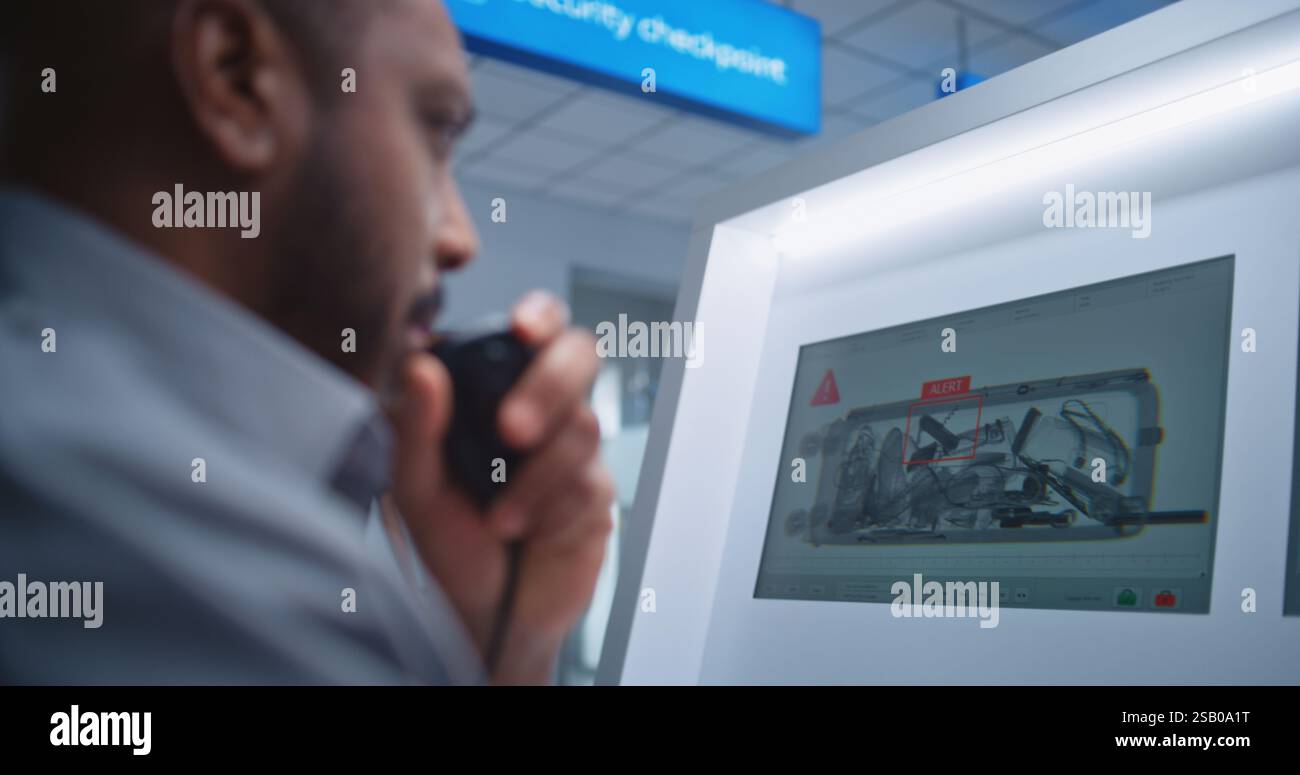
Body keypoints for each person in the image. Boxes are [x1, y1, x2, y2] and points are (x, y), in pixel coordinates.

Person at [0, 0, 613, 685]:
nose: (459, 240)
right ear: (236, 76)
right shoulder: (237, 592)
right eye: (435, 130)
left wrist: (502, 638)